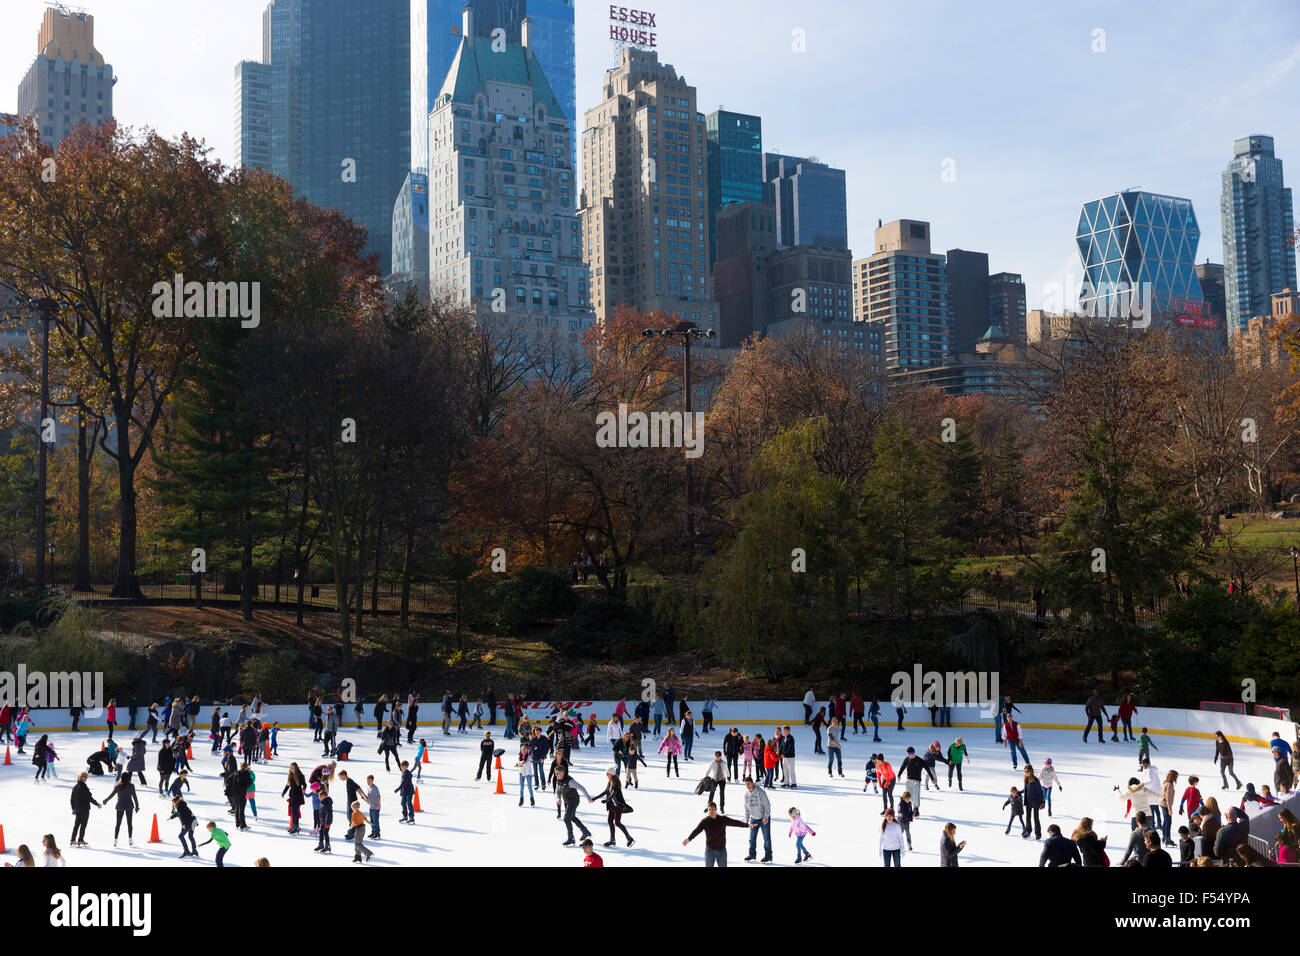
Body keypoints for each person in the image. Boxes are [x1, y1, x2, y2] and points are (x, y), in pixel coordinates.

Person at [683, 801, 748, 867]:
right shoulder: (705, 821)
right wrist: (689, 839)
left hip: (722, 851)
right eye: (709, 810)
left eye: (713, 809)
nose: (711, 811)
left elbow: (735, 822)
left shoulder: (722, 819)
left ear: (716, 809)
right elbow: (697, 830)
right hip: (709, 851)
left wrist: (747, 825)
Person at [591, 767, 634, 848]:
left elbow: (613, 793)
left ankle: (629, 838)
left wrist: (606, 800)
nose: (606, 775)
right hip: (612, 806)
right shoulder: (610, 782)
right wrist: (595, 798)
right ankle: (612, 840)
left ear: (611, 774)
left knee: (617, 822)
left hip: (618, 806)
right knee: (610, 821)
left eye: (607, 774)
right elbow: (606, 791)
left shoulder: (616, 782)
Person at [554, 765, 593, 846]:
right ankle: (585, 831)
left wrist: (588, 797)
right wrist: (558, 798)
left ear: (563, 773)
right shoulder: (558, 780)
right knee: (572, 817)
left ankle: (571, 837)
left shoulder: (570, 781)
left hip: (574, 801)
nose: (556, 775)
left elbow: (582, 787)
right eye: (555, 773)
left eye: (558, 773)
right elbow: (557, 791)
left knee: (566, 818)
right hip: (567, 801)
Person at [104, 770, 139, 847]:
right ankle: (130, 840)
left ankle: (115, 841)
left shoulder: (118, 786)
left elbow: (112, 795)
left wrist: (106, 800)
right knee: (129, 824)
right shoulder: (131, 786)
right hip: (129, 806)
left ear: (121, 778)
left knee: (118, 824)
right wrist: (137, 806)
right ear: (128, 778)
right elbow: (134, 796)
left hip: (120, 806)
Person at [742, 777, 772, 863]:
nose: (747, 786)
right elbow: (746, 808)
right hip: (753, 819)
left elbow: (767, 805)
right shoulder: (746, 795)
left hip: (763, 818)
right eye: (746, 784)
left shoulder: (760, 792)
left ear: (752, 783)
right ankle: (752, 855)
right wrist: (747, 819)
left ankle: (768, 856)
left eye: (748, 784)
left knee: (766, 838)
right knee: (752, 838)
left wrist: (766, 817)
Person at [70, 771, 100, 847]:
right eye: (85, 777)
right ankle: (80, 840)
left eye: (86, 777)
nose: (86, 778)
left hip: (77, 808)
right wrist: (96, 803)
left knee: (77, 825)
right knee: (83, 825)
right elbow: (88, 797)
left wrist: (73, 808)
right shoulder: (83, 786)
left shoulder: (75, 786)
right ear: (81, 777)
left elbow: (72, 799)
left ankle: (73, 840)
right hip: (84, 808)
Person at [899, 746, 925, 812]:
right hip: (909, 780)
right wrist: (899, 775)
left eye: (910, 753)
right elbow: (902, 767)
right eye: (908, 754)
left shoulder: (919, 760)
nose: (909, 755)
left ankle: (916, 809)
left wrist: (932, 777)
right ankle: (909, 807)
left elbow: (927, 768)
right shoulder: (907, 759)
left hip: (916, 780)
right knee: (908, 795)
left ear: (913, 753)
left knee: (916, 795)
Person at [1023, 767, 1045, 839]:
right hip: (1028, 801)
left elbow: (1040, 791)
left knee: (1036, 818)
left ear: (1031, 771)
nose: (1026, 773)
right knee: (1028, 818)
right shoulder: (1026, 779)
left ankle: (1038, 834)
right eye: (1025, 771)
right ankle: (1028, 831)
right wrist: (1020, 792)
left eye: (1027, 771)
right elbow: (1026, 789)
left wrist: (1042, 801)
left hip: (1036, 801)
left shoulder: (1036, 780)